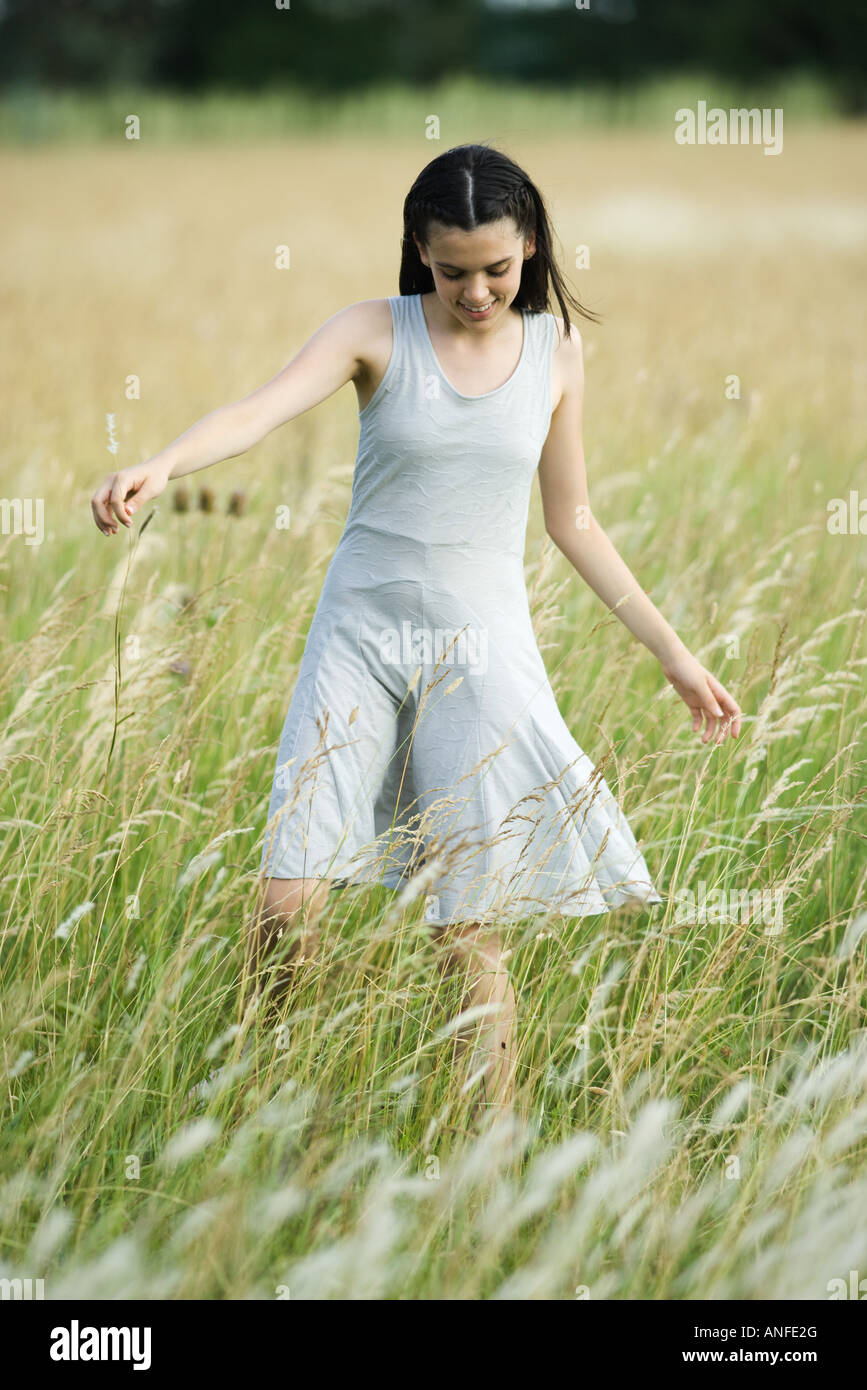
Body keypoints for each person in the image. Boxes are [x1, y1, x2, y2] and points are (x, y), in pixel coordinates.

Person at [91, 143, 741, 1129]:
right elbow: (258, 411)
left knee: (464, 930)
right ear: (418, 253)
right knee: (283, 905)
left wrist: (673, 652)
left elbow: (574, 520)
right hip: (357, 636)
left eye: (496, 270)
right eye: (451, 272)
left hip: (480, 655)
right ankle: (268, 1112)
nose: (475, 291)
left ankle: (491, 1153)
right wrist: (161, 462)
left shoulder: (557, 351)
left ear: (530, 248)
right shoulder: (373, 332)